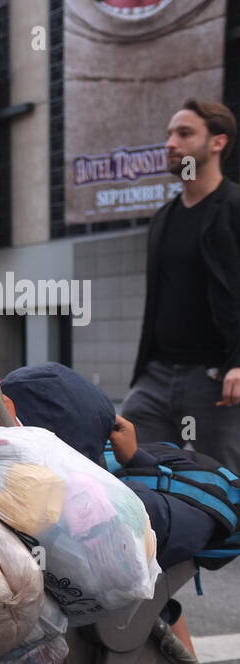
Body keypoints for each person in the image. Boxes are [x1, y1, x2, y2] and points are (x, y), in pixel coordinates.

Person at [0, 363, 217, 654]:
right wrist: (138, 461)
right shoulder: (101, 506)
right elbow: (187, 524)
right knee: (159, 583)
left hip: (8, 641)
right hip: (85, 655)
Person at [122, 98, 240, 476]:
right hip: (156, 378)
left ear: (217, 142)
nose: (171, 142)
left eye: (184, 133)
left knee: (227, 483)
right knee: (139, 472)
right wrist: (143, 372)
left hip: (217, 380)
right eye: (169, 134)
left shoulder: (234, 207)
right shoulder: (164, 219)